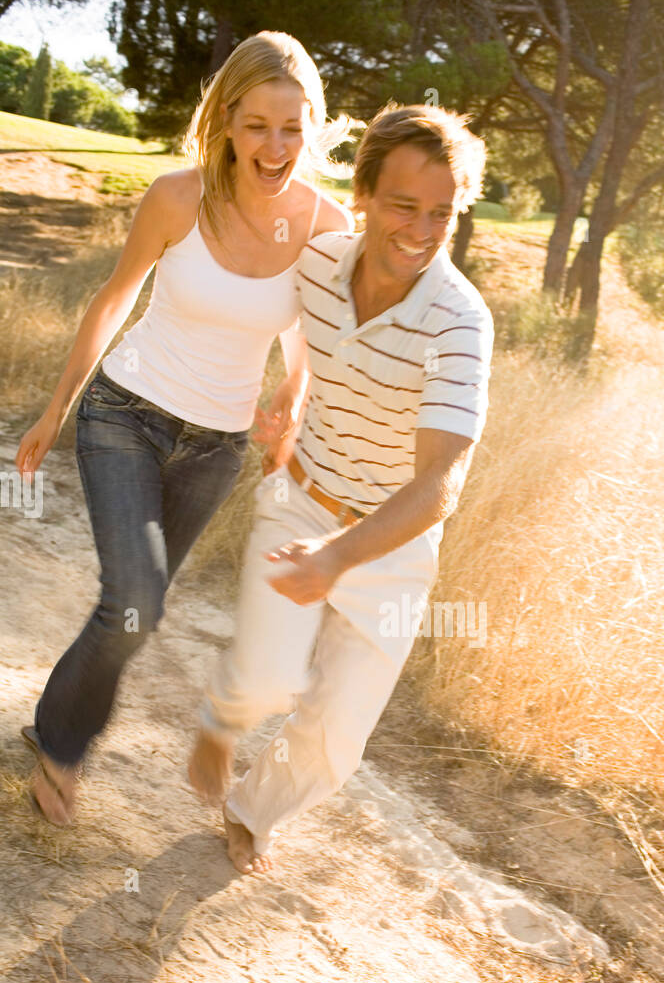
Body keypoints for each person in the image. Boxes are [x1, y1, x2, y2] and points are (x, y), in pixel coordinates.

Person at [14, 31, 352, 825]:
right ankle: (63, 752)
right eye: (259, 126)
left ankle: (48, 723)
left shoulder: (326, 223)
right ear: (228, 120)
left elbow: (304, 332)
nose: (276, 147)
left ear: (312, 128)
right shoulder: (178, 196)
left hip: (216, 447)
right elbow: (113, 298)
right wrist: (56, 406)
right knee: (135, 600)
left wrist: (294, 396)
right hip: (125, 413)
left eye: (293, 129)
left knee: (135, 608)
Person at [187, 103, 494, 874]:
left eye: (442, 214)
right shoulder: (318, 261)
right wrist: (287, 395)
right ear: (361, 195)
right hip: (300, 497)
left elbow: (440, 484)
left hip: (392, 546)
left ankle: (253, 810)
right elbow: (252, 303)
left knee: (337, 742)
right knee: (264, 682)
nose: (422, 231)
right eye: (403, 205)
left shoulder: (460, 322)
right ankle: (224, 718)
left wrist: (335, 558)